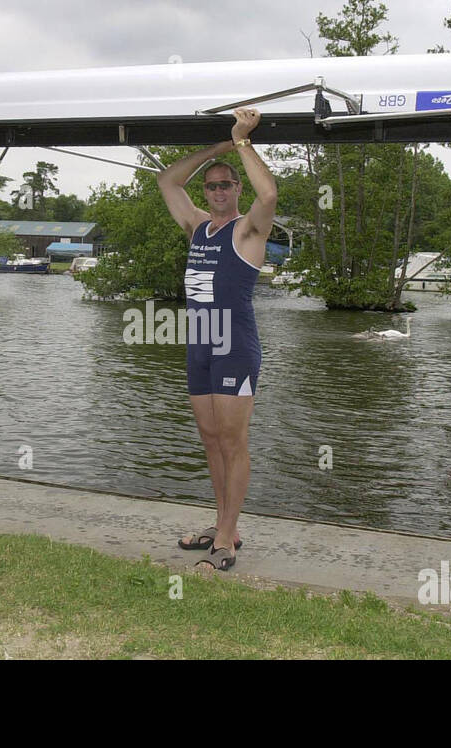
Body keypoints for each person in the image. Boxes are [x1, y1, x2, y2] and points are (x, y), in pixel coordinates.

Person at [157, 108, 277, 571]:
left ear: (238, 191)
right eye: (213, 185)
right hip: (201, 342)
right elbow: (168, 182)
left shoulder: (248, 230)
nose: (220, 190)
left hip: (235, 344)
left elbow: (270, 192)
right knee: (210, 438)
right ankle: (224, 522)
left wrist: (244, 143)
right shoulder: (196, 227)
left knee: (233, 440)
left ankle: (226, 539)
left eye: (227, 184)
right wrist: (220, 148)